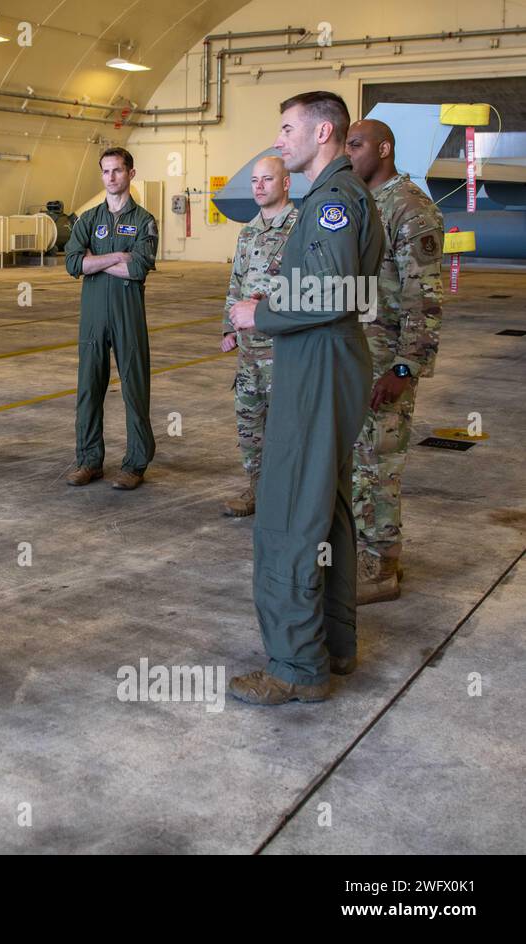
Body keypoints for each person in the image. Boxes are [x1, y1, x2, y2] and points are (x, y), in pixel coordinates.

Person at [228, 91, 383, 705]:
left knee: (290, 511)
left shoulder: (331, 205)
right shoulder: (333, 198)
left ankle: (295, 666)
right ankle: (335, 644)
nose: (280, 139)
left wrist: (256, 311)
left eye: (288, 128)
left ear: (324, 134)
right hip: (327, 358)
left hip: (318, 359)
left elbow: (329, 294)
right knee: (328, 507)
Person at [345, 118, 445, 604]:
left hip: (387, 364)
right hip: (354, 358)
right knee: (356, 465)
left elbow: (424, 297)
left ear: (384, 149)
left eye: (356, 144)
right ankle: (366, 551)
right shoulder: (364, 204)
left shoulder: (410, 208)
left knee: (378, 466)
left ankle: (381, 568)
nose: (348, 152)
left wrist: (404, 368)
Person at [63, 147, 159, 490]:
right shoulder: (88, 220)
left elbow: (137, 268)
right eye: (106, 171)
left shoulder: (145, 220)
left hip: (127, 316)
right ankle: (89, 460)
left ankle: (135, 463)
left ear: (131, 173)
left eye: (117, 170)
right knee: (88, 388)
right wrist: (118, 255)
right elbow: (74, 264)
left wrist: (98, 259)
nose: (111, 177)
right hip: (92, 317)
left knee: (135, 387)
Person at [220, 156, 298, 517]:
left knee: (286, 426)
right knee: (249, 422)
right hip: (248, 349)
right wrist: (228, 327)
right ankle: (256, 489)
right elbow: (236, 282)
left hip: (284, 348)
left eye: (267, 179)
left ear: (286, 184)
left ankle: (287, 496)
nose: (259, 186)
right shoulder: (248, 231)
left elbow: (308, 287)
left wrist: (266, 306)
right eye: (254, 181)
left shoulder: (300, 228)